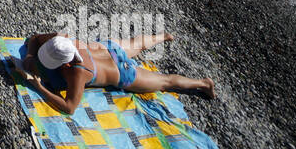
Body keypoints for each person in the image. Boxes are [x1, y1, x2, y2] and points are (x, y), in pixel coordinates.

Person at [13, 33, 214, 115]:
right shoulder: (61, 40)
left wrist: (39, 87)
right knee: (138, 45)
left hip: (122, 74)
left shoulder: (77, 73)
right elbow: (35, 38)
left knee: (166, 82)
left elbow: (70, 107)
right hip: (108, 51)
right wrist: (30, 55)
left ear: (64, 64)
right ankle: (164, 36)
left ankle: (203, 83)